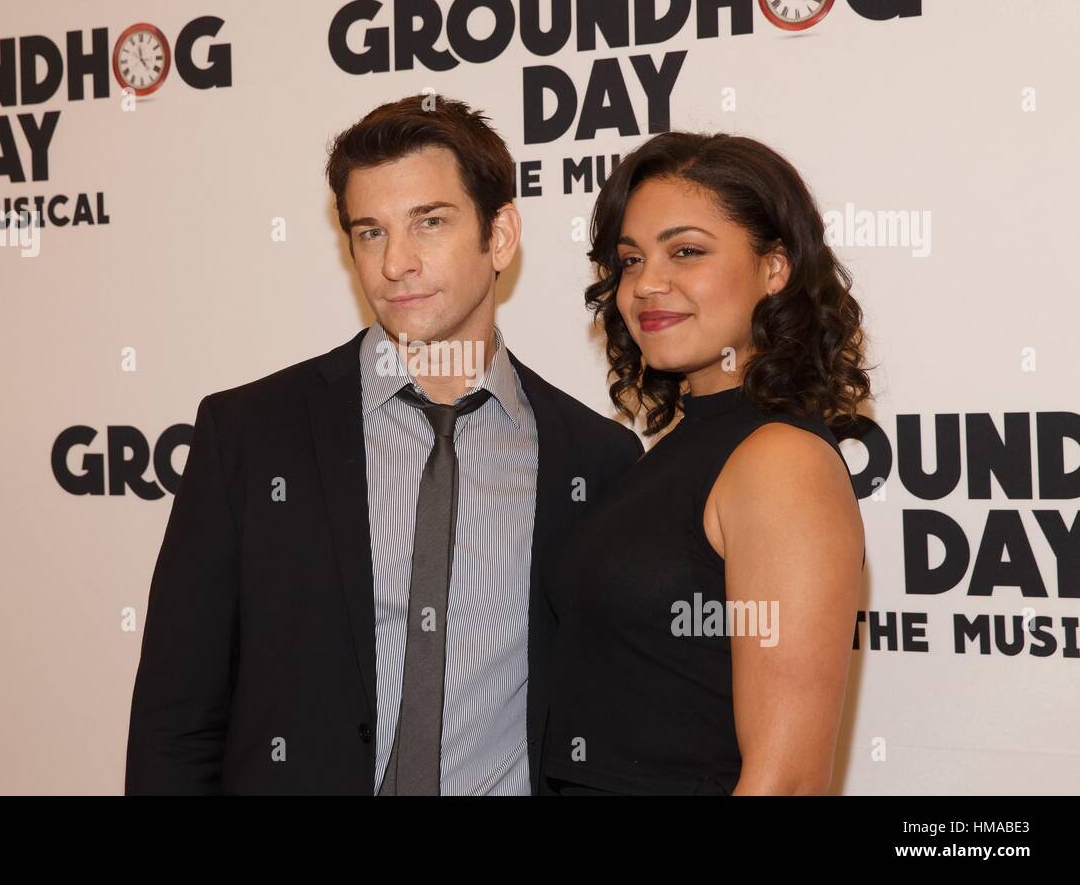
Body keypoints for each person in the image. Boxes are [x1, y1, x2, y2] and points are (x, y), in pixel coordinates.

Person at [124, 94, 643, 795]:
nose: (396, 262)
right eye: (370, 232)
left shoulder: (595, 461)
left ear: (500, 235)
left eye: (429, 222)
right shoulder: (248, 435)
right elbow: (176, 717)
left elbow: (611, 715)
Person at [539, 131, 870, 795]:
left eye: (686, 251)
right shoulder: (681, 448)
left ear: (775, 268)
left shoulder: (781, 461)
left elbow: (787, 781)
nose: (646, 284)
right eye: (630, 260)